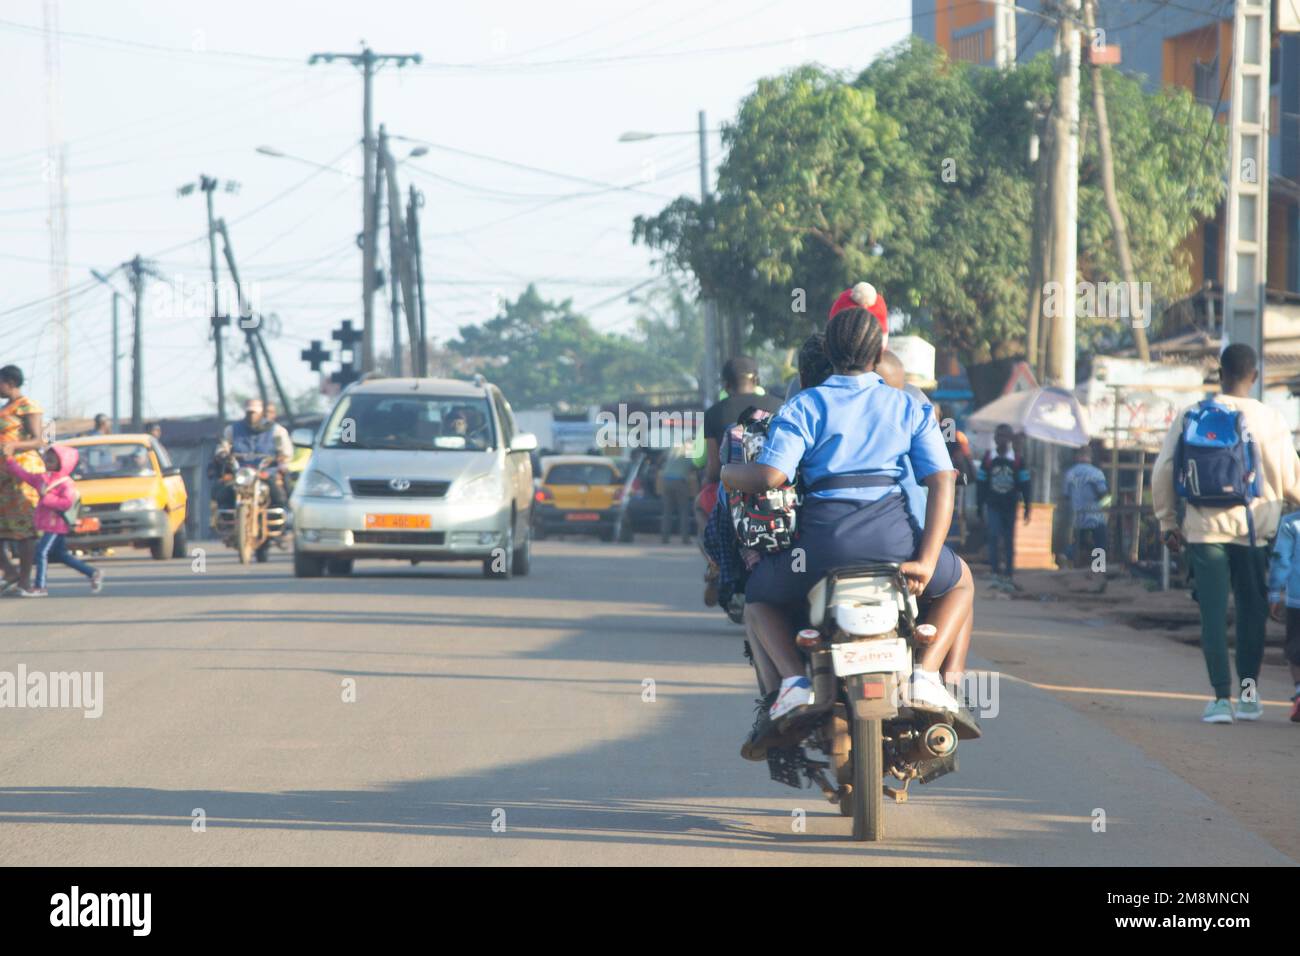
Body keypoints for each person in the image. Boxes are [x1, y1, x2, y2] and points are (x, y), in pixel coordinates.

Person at [723, 305, 973, 733]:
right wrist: (927, 561)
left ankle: (794, 683)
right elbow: (942, 481)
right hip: (894, 543)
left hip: (822, 550)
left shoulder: (805, 404)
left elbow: (771, 476)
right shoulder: (906, 405)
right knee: (962, 584)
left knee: (759, 600)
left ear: (830, 354)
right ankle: (930, 678)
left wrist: (728, 474)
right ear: (878, 354)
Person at [1153, 344, 1300, 724]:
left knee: (1213, 617)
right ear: (1255, 376)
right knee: (1252, 615)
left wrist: (1168, 522)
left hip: (1204, 532)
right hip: (1255, 532)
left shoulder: (1192, 414)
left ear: (1220, 374)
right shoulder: (1271, 419)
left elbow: (1164, 470)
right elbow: (1291, 484)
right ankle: (1249, 696)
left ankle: (1221, 699)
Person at [699, 358, 783, 605]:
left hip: (732, 489)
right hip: (776, 492)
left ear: (726, 384)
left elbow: (714, 469)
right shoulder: (780, 406)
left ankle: (714, 563)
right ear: (756, 380)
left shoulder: (715, 413)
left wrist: (707, 481)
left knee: (700, 507)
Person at [2, 445, 101, 596]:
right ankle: (92, 573)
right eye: (46, 459)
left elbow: (66, 503)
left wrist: (46, 497)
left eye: (52, 461)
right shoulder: (43, 478)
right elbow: (24, 475)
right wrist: (9, 461)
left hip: (56, 526)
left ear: (62, 463)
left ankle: (40, 586)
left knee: (41, 552)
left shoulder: (65, 483)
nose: (47, 463)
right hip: (47, 525)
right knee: (61, 555)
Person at [0, 365, 44, 596]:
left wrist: (14, 445)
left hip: (22, 474)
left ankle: (25, 581)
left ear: (10, 382)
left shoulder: (28, 405)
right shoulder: (4, 408)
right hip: (3, 477)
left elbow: (38, 441)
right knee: (4, 530)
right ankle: (9, 572)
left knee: (25, 530)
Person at [977, 423, 1032, 591]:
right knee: (993, 537)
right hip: (993, 504)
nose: (1001, 440)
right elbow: (981, 484)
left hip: (1010, 505)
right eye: (998, 436)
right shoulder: (988, 458)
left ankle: (1008, 573)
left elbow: (1025, 484)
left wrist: (1027, 506)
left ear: (1010, 439)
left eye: (1004, 436)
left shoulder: (1017, 460)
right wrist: (980, 506)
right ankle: (995, 571)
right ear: (994, 438)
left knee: (1009, 540)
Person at [1266, 510, 1300, 723]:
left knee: (1295, 649)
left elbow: (1281, 560)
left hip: (1296, 599)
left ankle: (1299, 693)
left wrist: (1274, 592)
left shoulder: (1291, 523)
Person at [1062, 444, 1108, 567]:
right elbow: (1103, 493)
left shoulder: (1070, 473)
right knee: (1100, 542)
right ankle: (1098, 568)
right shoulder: (1096, 473)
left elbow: (1065, 495)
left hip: (1078, 517)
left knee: (1079, 542)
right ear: (1090, 456)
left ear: (1077, 456)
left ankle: (1069, 561)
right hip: (1095, 515)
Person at [658, 449, 697, 544]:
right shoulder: (689, 453)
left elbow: (660, 460)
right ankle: (685, 539)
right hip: (680, 482)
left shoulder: (671, 451)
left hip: (666, 481)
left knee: (667, 511)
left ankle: (664, 538)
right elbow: (695, 466)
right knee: (683, 511)